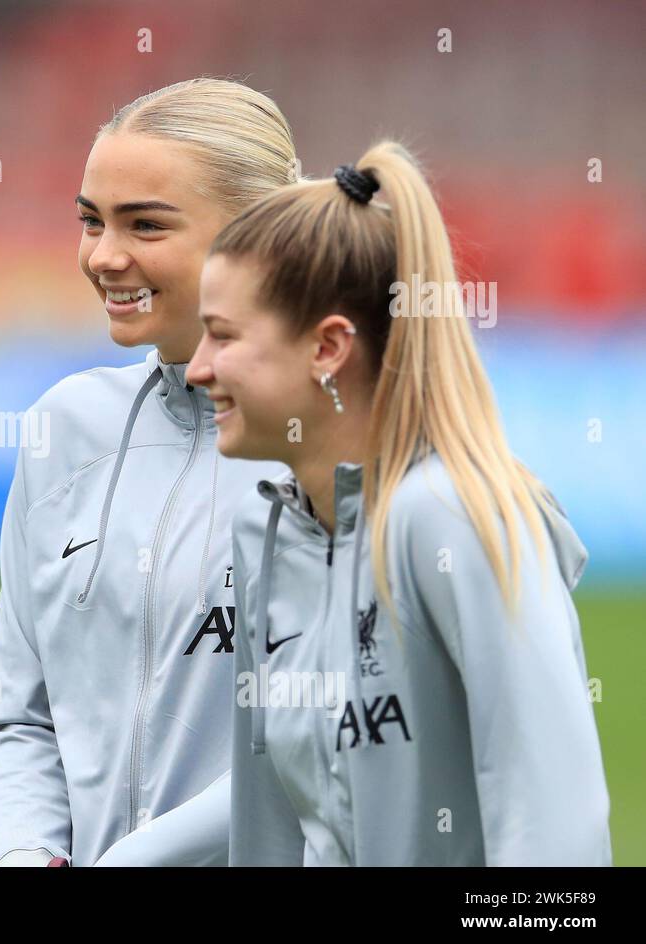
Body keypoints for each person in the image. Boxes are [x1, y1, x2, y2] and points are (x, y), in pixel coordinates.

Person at [186, 141, 612, 865]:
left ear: (328, 348)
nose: (197, 368)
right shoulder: (265, 531)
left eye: (222, 336)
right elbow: (267, 832)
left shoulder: (447, 515)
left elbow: (557, 843)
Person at [0, 77, 296, 866]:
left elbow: (320, 743)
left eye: (145, 224)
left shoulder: (325, 449)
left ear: (258, 233)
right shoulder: (63, 428)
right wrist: (25, 856)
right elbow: (21, 714)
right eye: (91, 220)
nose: (104, 256)